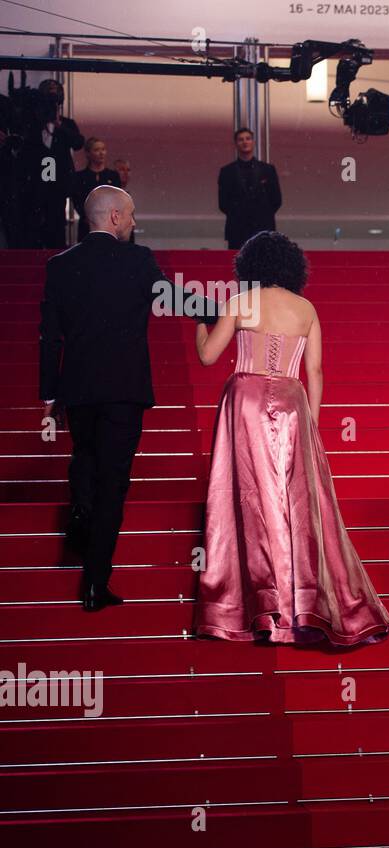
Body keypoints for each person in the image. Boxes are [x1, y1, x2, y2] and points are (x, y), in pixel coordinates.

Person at [194, 231, 389, 645]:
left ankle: (255, 607)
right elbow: (316, 372)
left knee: (248, 499)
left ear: (249, 266)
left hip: (245, 401)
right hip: (291, 400)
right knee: (293, 502)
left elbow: (208, 355)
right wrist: (312, 423)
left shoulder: (241, 302)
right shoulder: (306, 309)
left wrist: (201, 323)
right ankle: (301, 606)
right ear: (292, 267)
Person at [39, 186, 212, 610]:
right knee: (113, 483)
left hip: (77, 390)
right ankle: (96, 583)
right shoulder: (137, 260)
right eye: (131, 215)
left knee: (85, 454)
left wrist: (49, 395)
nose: (135, 223)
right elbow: (170, 298)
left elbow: (50, 337)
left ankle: (80, 510)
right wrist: (218, 311)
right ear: (114, 217)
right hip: (123, 390)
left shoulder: (60, 266)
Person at [18, 79, 83, 249]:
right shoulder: (32, 124)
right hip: (35, 185)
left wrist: (59, 126)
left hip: (58, 185)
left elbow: (78, 143)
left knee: (56, 228)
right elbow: (24, 148)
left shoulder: (67, 124)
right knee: (33, 226)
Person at [217, 128, 281, 251]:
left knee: (264, 265)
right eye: (241, 140)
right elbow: (223, 203)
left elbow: (276, 199)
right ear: (236, 144)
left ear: (253, 142)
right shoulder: (227, 172)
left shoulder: (268, 170)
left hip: (263, 228)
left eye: (248, 139)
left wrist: (260, 215)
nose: (245, 142)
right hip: (237, 229)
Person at [69, 137, 122, 242]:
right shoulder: (80, 177)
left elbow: (117, 199)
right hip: (87, 224)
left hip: (109, 226)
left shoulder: (113, 176)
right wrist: (89, 216)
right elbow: (77, 200)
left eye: (103, 149)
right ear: (88, 154)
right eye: (97, 150)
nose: (101, 153)